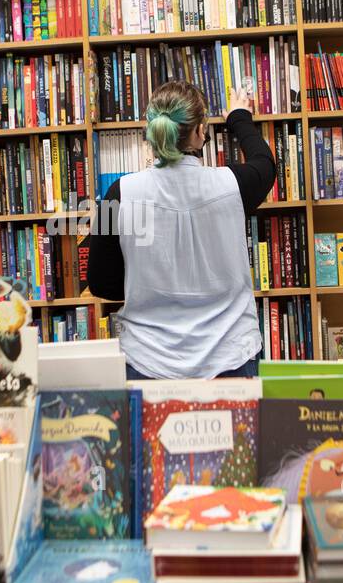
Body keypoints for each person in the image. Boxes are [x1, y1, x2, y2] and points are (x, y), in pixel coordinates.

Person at [83, 81, 276, 379]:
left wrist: (148, 282)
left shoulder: (118, 194)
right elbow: (265, 163)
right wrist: (239, 116)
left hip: (148, 362)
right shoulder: (234, 186)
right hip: (230, 358)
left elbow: (100, 284)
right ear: (200, 133)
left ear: (153, 133)